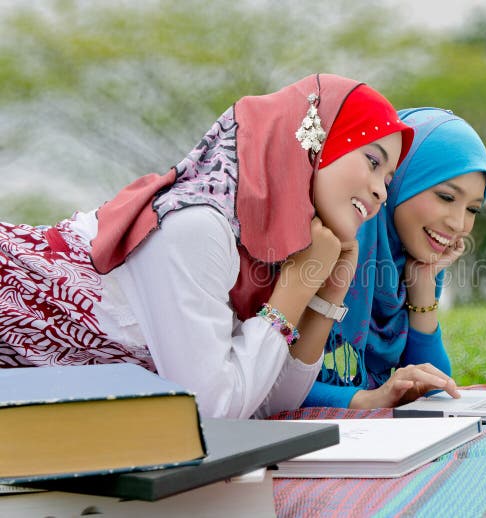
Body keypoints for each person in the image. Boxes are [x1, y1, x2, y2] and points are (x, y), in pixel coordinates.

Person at [0, 73, 414, 419]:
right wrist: (293, 291)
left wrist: (326, 293)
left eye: (388, 179)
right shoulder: (197, 227)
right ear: (315, 144)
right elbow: (213, 415)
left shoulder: (266, 249)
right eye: (372, 161)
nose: (379, 191)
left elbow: (270, 404)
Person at [302, 107, 486, 409]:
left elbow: (434, 387)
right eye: (446, 197)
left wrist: (424, 285)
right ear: (398, 180)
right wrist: (367, 399)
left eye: (473, 209)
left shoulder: (411, 252)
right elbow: (275, 380)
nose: (458, 224)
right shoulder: (330, 240)